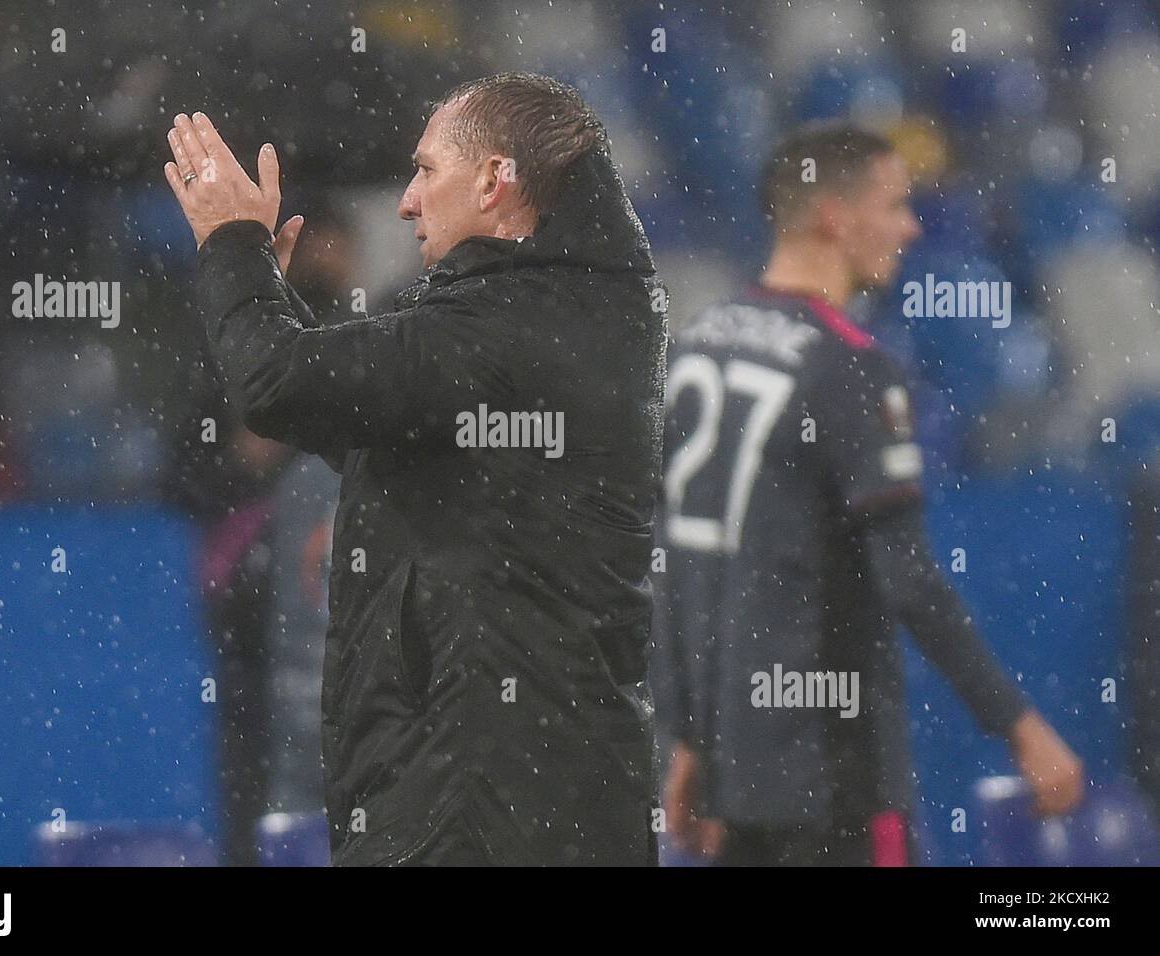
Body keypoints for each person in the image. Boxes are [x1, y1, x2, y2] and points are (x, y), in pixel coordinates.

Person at [164, 72, 666, 865]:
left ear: (496, 180)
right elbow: (369, 427)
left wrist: (231, 245)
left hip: (481, 799)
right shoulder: (568, 310)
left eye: (428, 170)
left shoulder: (502, 324)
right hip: (528, 787)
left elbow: (274, 385)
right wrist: (272, 302)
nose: (405, 200)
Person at [656, 124, 1084, 866]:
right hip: (834, 777)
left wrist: (689, 737)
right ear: (835, 216)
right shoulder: (848, 369)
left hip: (741, 776)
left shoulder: (700, 342)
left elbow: (679, 564)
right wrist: (1020, 727)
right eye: (894, 204)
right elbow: (911, 582)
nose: (910, 226)